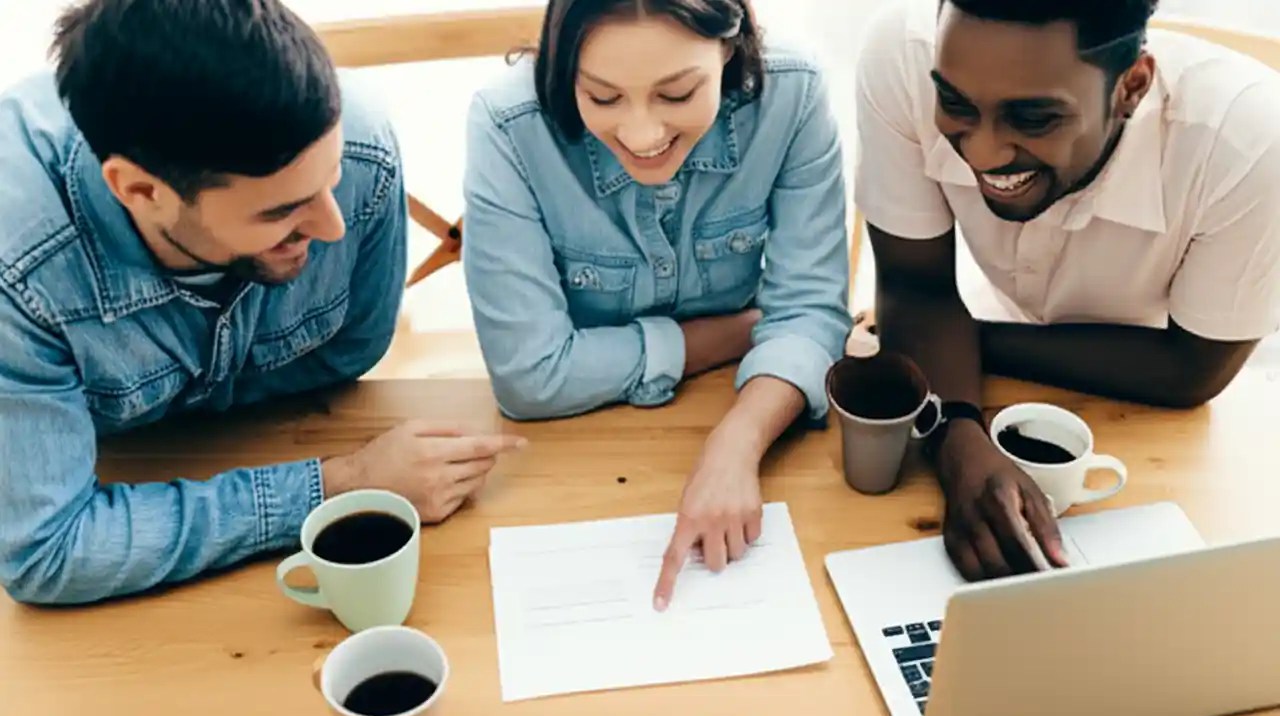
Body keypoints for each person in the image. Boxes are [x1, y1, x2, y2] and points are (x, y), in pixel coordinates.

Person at [0, 0, 524, 606]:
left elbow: (350, 353)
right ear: (141, 191)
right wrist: (341, 485)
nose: (333, 228)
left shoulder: (363, 151)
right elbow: (47, 550)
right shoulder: (21, 270)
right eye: (281, 211)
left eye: (329, 181)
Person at [855, 0, 1280, 581]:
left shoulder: (1255, 146)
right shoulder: (904, 58)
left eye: (1033, 119)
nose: (982, 153)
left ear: (1131, 87)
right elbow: (914, 288)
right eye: (955, 104)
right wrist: (955, 437)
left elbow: (1191, 372)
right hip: (1015, 369)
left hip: (1169, 423)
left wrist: (964, 341)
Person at [462, 0, 851, 609]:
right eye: (602, 97)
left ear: (729, 46)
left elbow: (811, 311)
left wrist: (737, 443)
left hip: (735, 402)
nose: (642, 135)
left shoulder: (792, 94)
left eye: (677, 95)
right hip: (571, 452)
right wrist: (739, 332)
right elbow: (529, 376)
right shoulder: (508, 125)